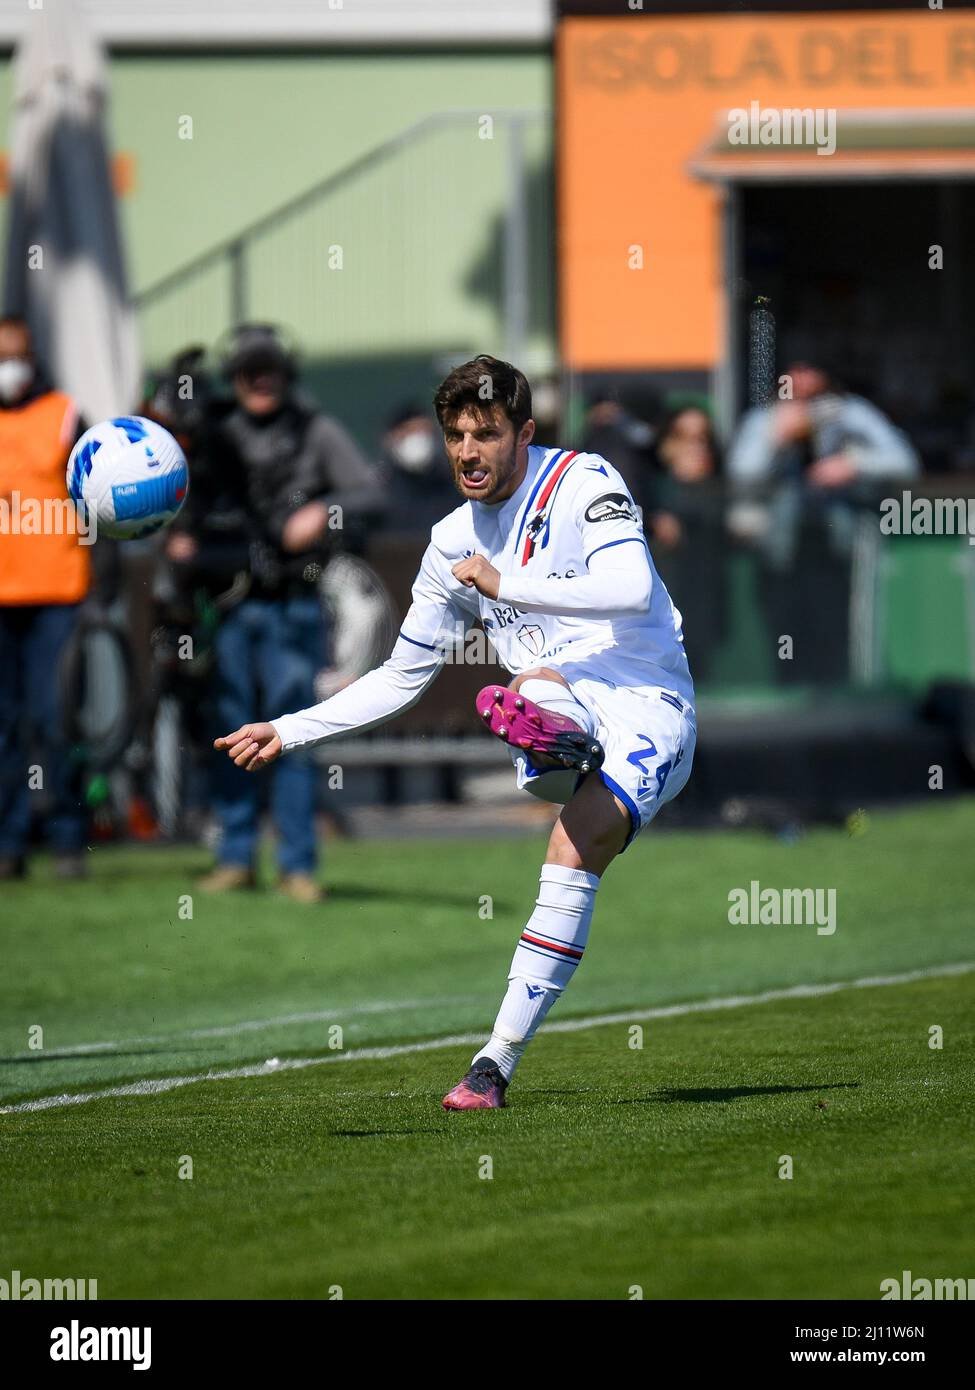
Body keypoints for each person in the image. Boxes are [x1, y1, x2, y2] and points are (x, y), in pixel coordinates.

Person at [215, 355, 696, 1107]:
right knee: (551, 767)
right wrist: (289, 729)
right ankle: (491, 1067)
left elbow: (631, 587)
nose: (467, 451)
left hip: (647, 702)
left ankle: (547, 737)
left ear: (525, 433)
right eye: (454, 435)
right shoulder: (448, 545)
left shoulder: (583, 480)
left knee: (550, 753)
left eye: (486, 433)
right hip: (556, 700)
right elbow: (401, 679)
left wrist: (507, 584)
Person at [177, 324, 382, 903]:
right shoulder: (213, 435)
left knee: (291, 732)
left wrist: (324, 509)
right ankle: (234, 856)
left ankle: (298, 865)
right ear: (233, 377)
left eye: (269, 370)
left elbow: (370, 492)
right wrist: (183, 538)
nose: (260, 381)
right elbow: (181, 493)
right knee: (230, 731)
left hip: (294, 602)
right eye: (248, 371)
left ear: (286, 375)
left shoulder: (315, 431)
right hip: (229, 608)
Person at [728, 358, 920, 684]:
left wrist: (854, 463)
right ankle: (787, 709)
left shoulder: (848, 412)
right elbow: (741, 471)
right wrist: (776, 436)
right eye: (796, 371)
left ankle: (838, 706)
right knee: (783, 636)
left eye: (811, 371)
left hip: (838, 548)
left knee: (837, 636)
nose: (803, 380)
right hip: (779, 552)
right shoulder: (766, 418)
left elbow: (904, 462)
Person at [0, 316, 88, 879]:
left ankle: (67, 839)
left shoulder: (66, 414)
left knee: (58, 721)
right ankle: (9, 846)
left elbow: (104, 488)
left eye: (18, 355)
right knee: (4, 725)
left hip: (60, 592)